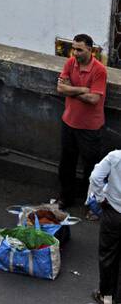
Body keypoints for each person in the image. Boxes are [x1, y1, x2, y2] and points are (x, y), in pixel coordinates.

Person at [57, 33, 107, 208]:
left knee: (91, 169)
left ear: (90, 49)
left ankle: (90, 203)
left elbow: (94, 99)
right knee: (66, 165)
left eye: (79, 49)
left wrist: (71, 89)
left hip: (90, 128)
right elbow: (60, 88)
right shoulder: (70, 63)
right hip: (69, 122)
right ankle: (66, 198)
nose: (75, 53)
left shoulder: (99, 70)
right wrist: (82, 89)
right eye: (74, 49)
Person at [88, 146, 121, 304]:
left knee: (108, 254)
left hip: (114, 213)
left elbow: (95, 178)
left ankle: (106, 296)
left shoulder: (115, 157)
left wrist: (101, 197)